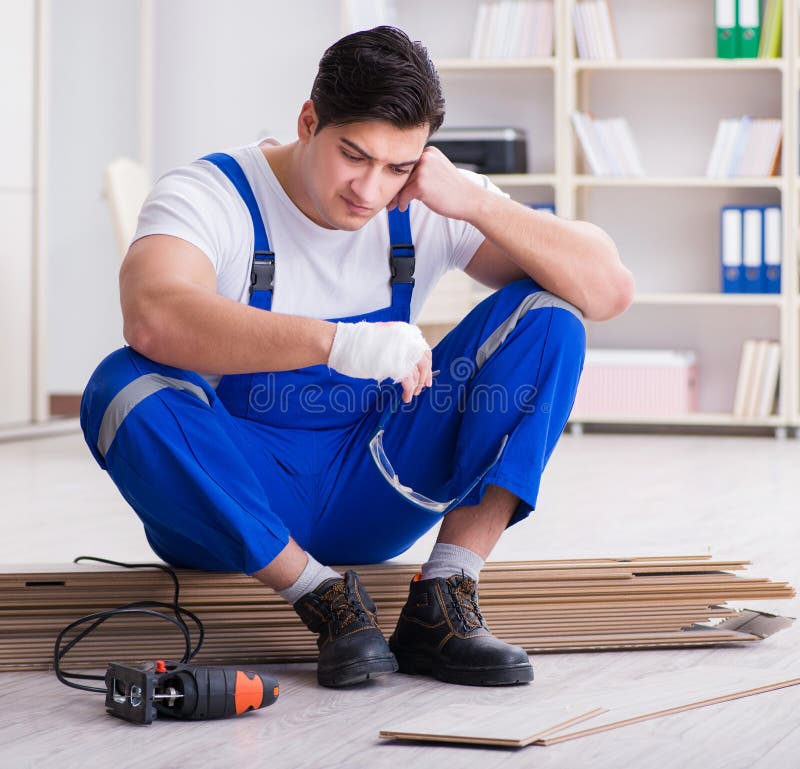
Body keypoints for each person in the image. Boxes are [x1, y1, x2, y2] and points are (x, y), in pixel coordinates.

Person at [81, 26, 633, 689]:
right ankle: (323, 599)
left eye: (398, 167)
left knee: (553, 318)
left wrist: (474, 201)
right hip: (235, 496)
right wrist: (339, 342)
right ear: (308, 120)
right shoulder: (214, 194)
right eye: (354, 156)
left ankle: (444, 599)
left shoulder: (424, 201)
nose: (371, 190)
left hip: (377, 484)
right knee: (120, 384)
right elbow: (153, 311)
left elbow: (607, 289)